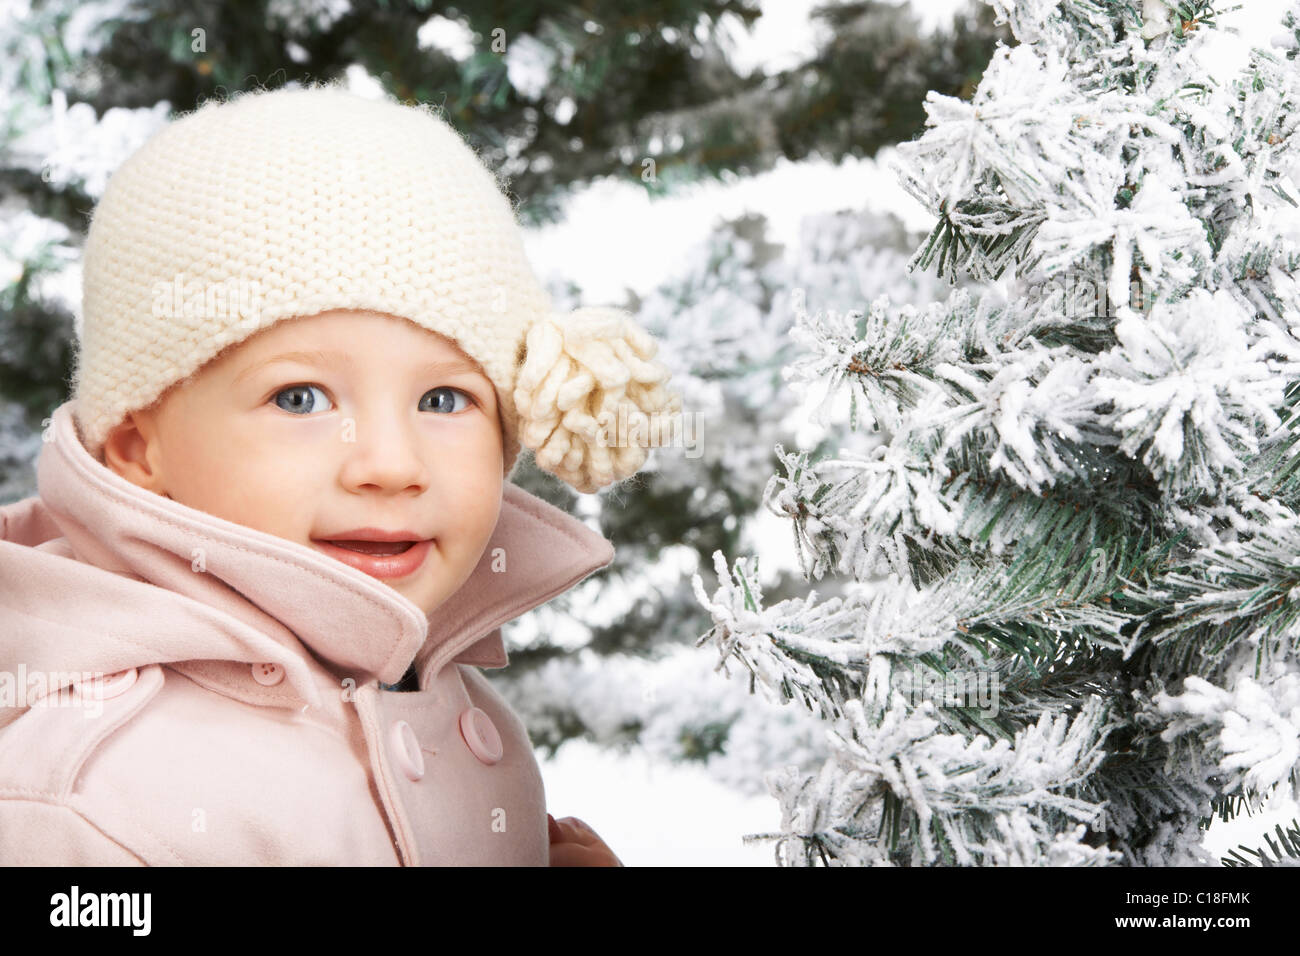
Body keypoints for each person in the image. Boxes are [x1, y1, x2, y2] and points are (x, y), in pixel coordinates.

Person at [0, 81, 681, 866]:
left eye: (444, 397)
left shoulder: (433, 699)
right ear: (137, 447)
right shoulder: (95, 808)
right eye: (300, 397)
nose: (389, 464)